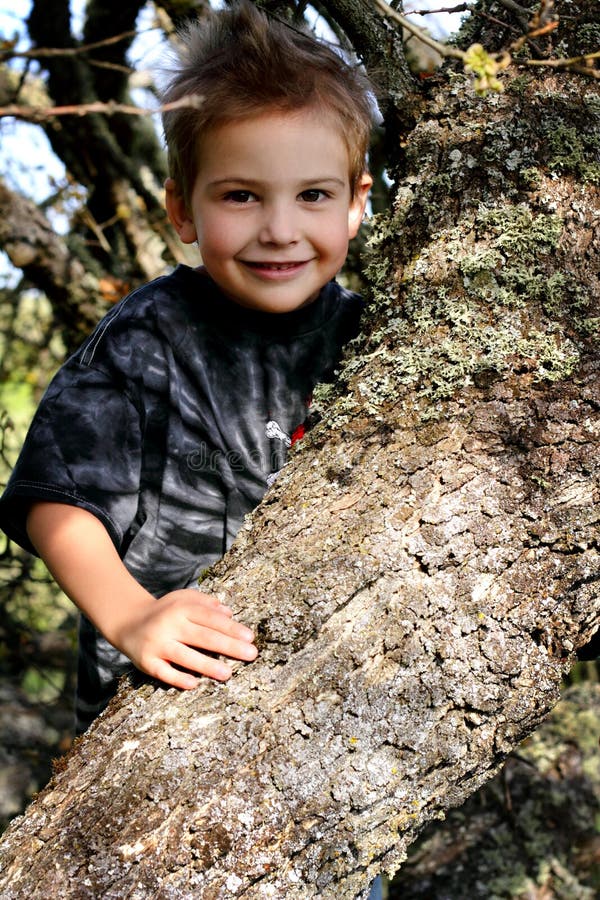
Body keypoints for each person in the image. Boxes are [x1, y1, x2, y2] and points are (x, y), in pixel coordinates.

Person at [0, 1, 373, 732]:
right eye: (241, 195)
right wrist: (132, 616)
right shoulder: (151, 336)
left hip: (323, 702)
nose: (280, 229)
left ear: (357, 205)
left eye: (313, 196)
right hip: (158, 698)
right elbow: (57, 500)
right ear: (181, 209)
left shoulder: (374, 336)